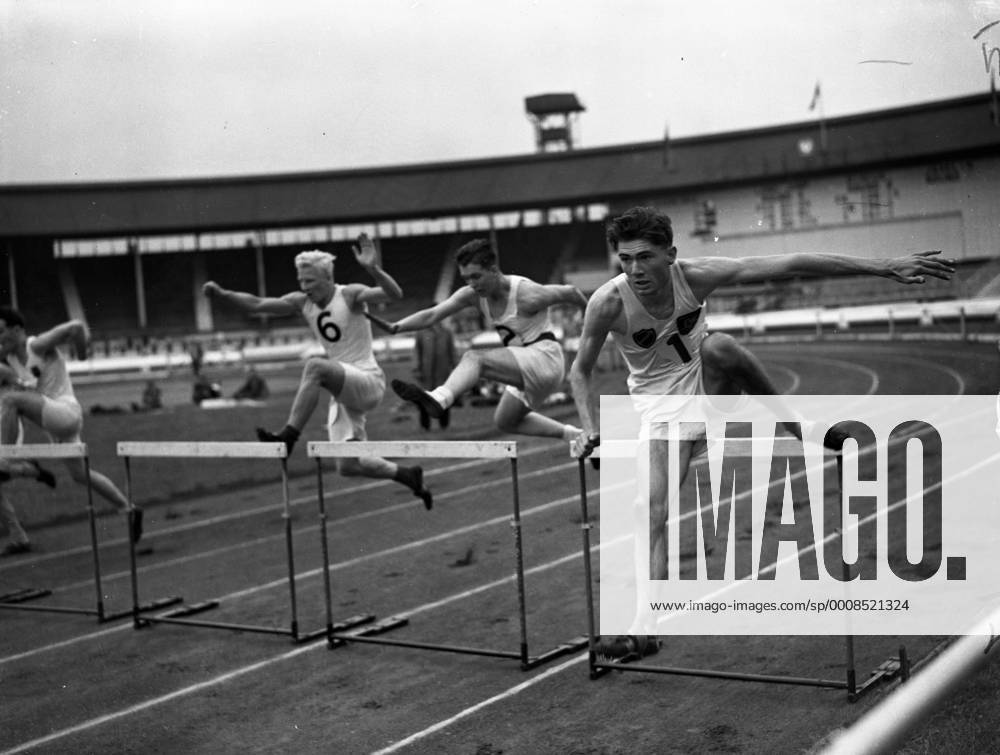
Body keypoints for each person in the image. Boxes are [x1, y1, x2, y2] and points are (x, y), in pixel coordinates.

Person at [568, 205, 956, 658]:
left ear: (670, 254)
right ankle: (644, 627)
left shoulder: (696, 276)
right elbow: (579, 372)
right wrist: (589, 430)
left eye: (646, 257)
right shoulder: (608, 303)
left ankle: (798, 427)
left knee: (720, 347)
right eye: (626, 259)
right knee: (646, 513)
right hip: (661, 415)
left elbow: (790, 262)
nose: (635, 270)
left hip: (712, 391)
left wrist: (884, 266)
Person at [202, 233, 433, 509]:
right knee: (347, 465)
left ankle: (288, 436)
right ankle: (407, 475)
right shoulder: (303, 302)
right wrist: (221, 294)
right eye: (300, 281)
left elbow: (394, 294)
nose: (304, 286)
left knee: (314, 366)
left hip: (367, 380)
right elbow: (257, 304)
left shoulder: (349, 294)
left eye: (309, 281)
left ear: (328, 278)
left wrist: (372, 268)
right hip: (343, 386)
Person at [383, 238, 588, 445]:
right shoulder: (472, 295)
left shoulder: (526, 294)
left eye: (476, 276)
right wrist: (397, 327)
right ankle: (574, 435)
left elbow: (571, 292)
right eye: (466, 278)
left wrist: (586, 323)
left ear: (493, 269)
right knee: (506, 421)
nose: (472, 284)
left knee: (475, 359)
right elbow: (432, 315)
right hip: (525, 366)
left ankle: (440, 398)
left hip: (546, 359)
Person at [0, 308, 143, 548]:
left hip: (66, 412)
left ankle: (5, 457)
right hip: (56, 424)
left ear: (17, 330)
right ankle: (128, 508)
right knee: (81, 475)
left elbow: (76, 327)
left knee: (10, 399)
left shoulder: (36, 346)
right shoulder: (9, 357)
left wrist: (82, 353)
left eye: (2, 331)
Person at [412, 320, 457, 429]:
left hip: (443, 372)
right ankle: (425, 425)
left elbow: (452, 351)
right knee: (425, 399)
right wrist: (416, 369)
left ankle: (444, 425)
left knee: (443, 397)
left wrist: (455, 367)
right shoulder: (421, 333)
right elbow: (417, 351)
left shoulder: (446, 332)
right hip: (426, 372)